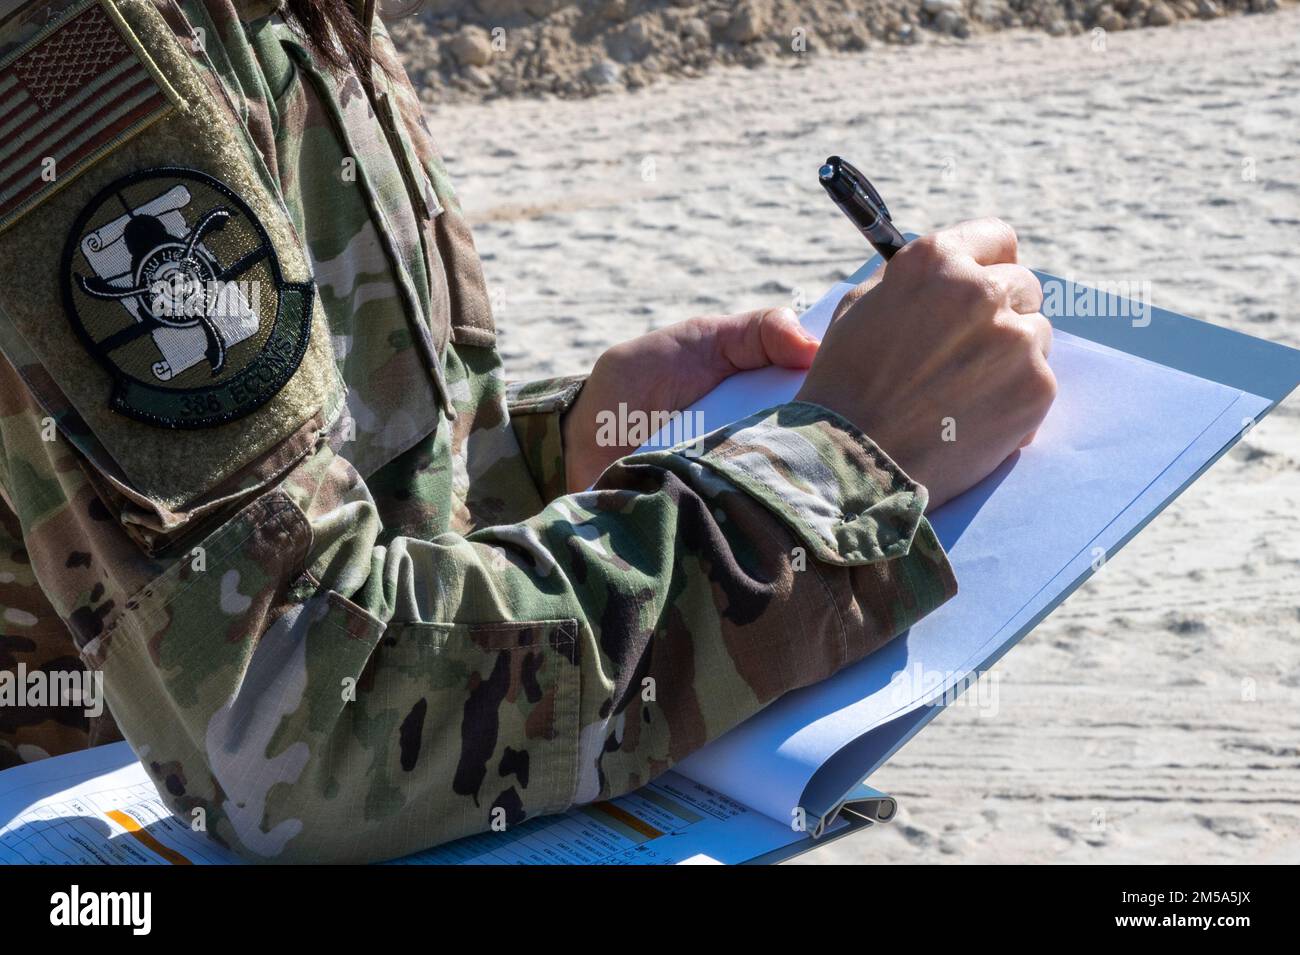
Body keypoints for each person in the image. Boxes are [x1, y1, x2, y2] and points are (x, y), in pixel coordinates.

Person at [0, 0, 1054, 862]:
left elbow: (338, 489)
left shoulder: (307, 20)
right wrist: (837, 467)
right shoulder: (87, 40)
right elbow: (302, 723)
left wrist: (565, 445)